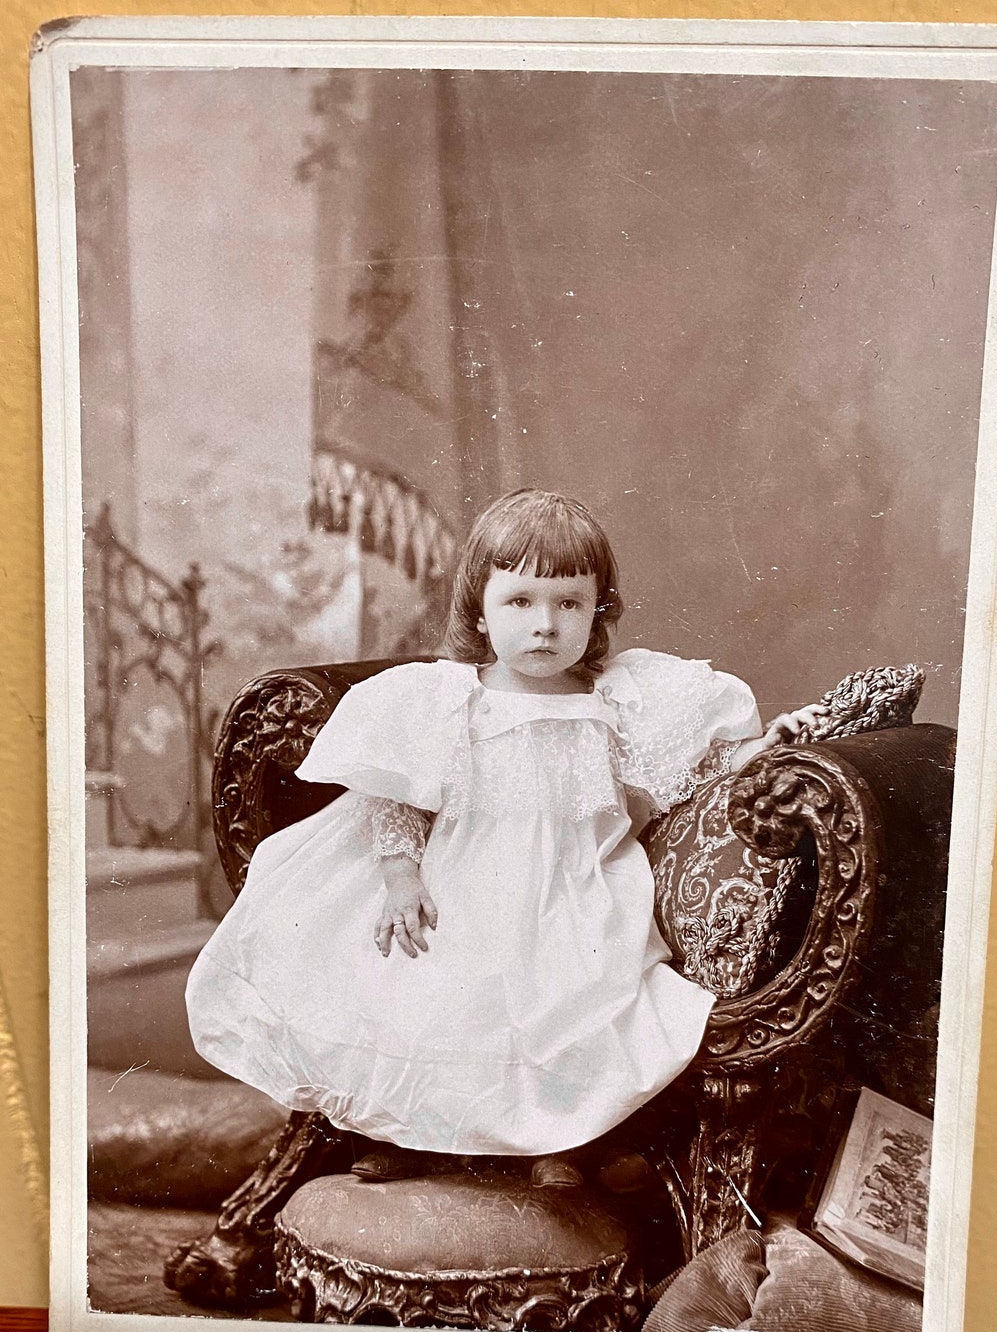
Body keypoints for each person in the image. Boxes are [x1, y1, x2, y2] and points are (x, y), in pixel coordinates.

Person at [186, 489, 821, 1190]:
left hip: (576, 888)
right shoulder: (448, 698)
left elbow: (690, 770)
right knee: (430, 1001)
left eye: (568, 604)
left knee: (571, 1005)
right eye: (521, 602)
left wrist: (760, 750)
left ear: (598, 609)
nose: (545, 626)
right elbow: (393, 798)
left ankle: (554, 1144)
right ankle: (414, 1137)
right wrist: (403, 878)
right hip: (464, 881)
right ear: (480, 610)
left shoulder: (616, 700)